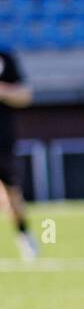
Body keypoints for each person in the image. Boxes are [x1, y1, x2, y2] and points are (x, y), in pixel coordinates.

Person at [0, 47, 36, 260]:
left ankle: (24, 235)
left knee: (13, 194)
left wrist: (3, 91)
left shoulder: (6, 58)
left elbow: (25, 95)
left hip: (3, 143)